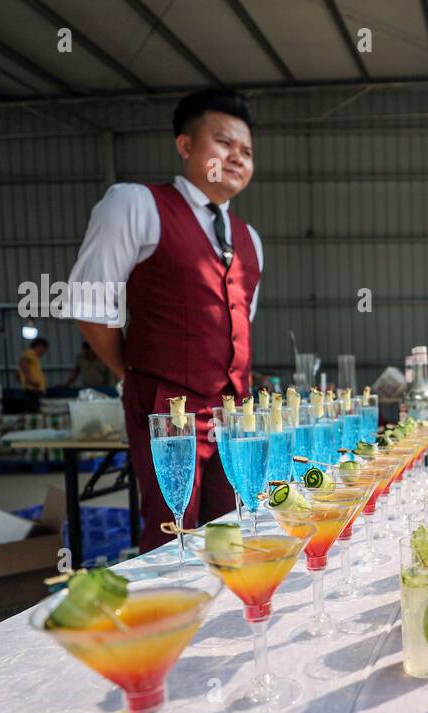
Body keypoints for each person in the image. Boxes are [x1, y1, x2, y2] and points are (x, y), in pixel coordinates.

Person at [64, 88, 263, 553]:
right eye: (224, 143)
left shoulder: (249, 238)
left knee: (233, 529)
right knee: (172, 532)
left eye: (247, 151)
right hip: (167, 408)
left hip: (233, 413)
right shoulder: (135, 204)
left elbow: (237, 327)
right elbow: (91, 308)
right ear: (185, 145)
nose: (237, 157)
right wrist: (139, 379)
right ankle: (169, 622)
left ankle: (227, 620)